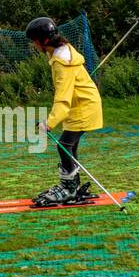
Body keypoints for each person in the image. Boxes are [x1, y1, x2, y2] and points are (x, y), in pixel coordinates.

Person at [26, 17, 103, 206]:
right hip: (82, 103)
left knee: (63, 145)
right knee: (70, 146)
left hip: (82, 107)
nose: (34, 46)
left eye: (34, 41)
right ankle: (73, 187)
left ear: (43, 41)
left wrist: (49, 123)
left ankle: (68, 189)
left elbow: (63, 99)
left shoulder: (62, 62)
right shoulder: (61, 51)